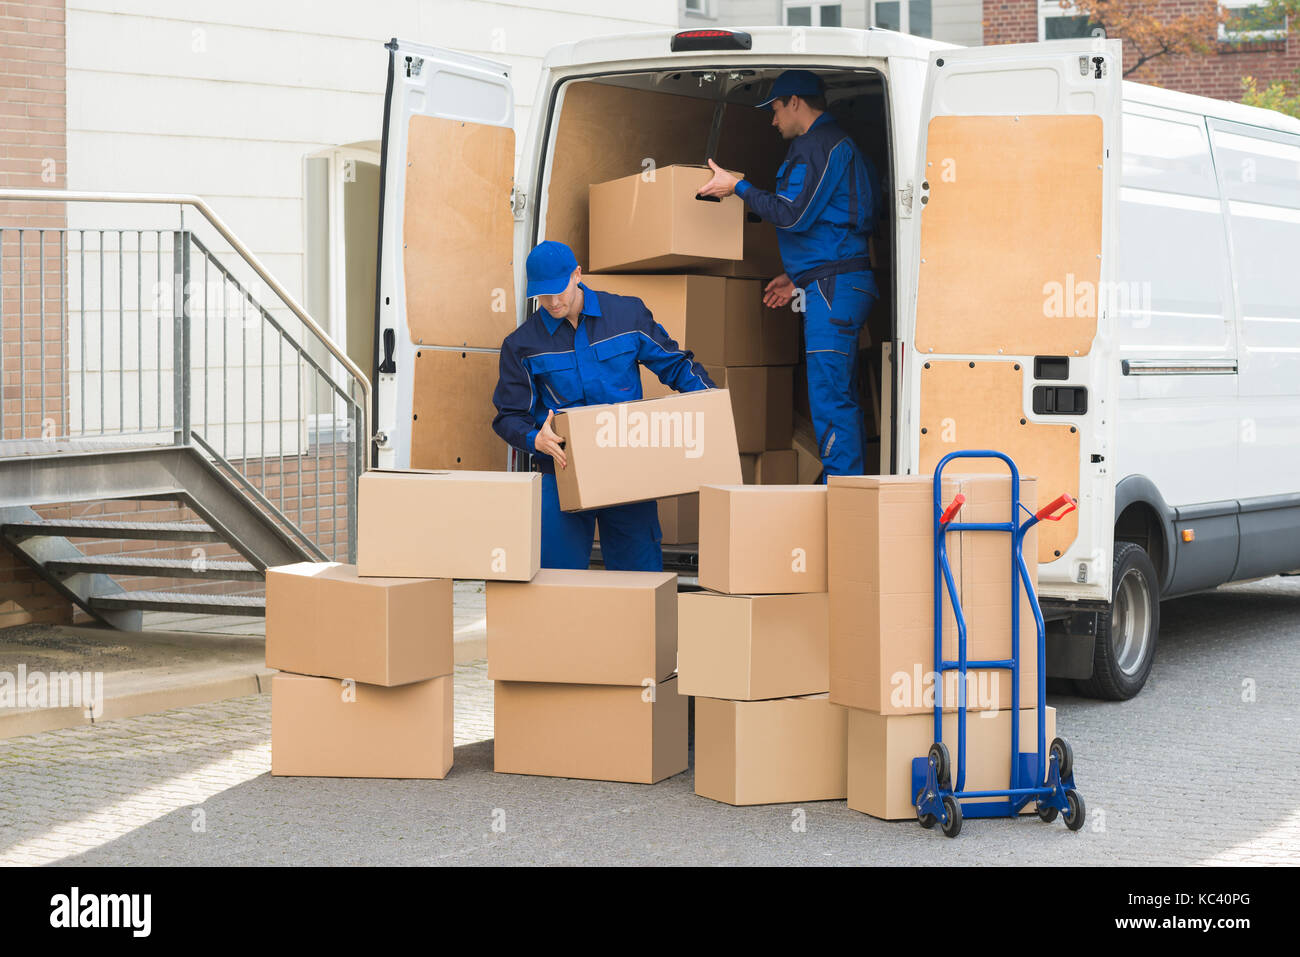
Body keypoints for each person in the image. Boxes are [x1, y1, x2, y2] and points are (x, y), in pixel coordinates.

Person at [492, 240, 716, 572]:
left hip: (627, 467)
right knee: (556, 577)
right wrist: (533, 439)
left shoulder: (627, 315)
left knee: (638, 577)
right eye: (543, 295)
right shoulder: (522, 345)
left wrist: (711, 407)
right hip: (562, 470)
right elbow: (509, 416)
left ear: (577, 275)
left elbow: (676, 366)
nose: (553, 302)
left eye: (559, 291)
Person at [698, 69, 879, 479]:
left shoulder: (816, 146)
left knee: (830, 397)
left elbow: (791, 213)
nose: (773, 119)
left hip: (834, 289)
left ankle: (843, 494)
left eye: (776, 108)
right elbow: (835, 222)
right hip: (837, 281)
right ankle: (850, 490)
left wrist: (737, 187)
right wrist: (796, 275)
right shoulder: (840, 145)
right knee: (839, 393)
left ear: (796, 102)